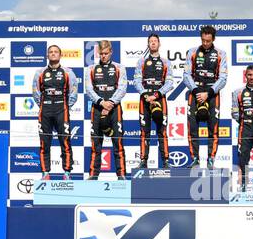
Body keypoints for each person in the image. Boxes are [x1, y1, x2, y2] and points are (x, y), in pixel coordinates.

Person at [183, 24, 227, 168]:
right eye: (203, 40)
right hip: (195, 92)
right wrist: (196, 92)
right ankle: (195, 158)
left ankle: (211, 158)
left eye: (208, 41)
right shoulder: (192, 52)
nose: (205, 43)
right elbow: (186, 75)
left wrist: (208, 93)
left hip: (212, 94)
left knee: (213, 127)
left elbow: (223, 78)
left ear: (213, 39)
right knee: (192, 127)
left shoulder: (221, 54)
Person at [85, 39, 127, 179]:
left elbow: (122, 88)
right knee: (96, 142)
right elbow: (89, 89)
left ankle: (121, 175)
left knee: (118, 142)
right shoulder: (91, 69)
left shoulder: (119, 68)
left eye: (106, 53)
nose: (103, 56)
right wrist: (102, 103)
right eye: (101, 53)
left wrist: (110, 103)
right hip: (97, 108)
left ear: (111, 52)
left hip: (115, 109)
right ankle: (93, 175)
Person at [33, 45, 76, 175]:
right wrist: (43, 105)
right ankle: (45, 173)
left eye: (55, 52)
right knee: (44, 143)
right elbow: (35, 93)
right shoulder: (39, 72)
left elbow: (73, 93)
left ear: (60, 55)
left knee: (65, 141)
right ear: (47, 55)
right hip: (45, 110)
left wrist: (65, 107)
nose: (53, 54)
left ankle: (67, 172)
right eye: (50, 52)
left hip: (61, 110)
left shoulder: (68, 72)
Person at [136, 33, 176, 169]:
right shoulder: (141, 61)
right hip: (145, 100)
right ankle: (143, 161)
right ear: (148, 44)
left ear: (159, 44)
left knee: (162, 131)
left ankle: (165, 161)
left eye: (155, 41)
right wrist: (146, 95)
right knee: (144, 131)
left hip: (160, 99)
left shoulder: (166, 62)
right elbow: (136, 81)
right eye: (150, 41)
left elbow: (170, 82)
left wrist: (157, 94)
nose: (153, 43)